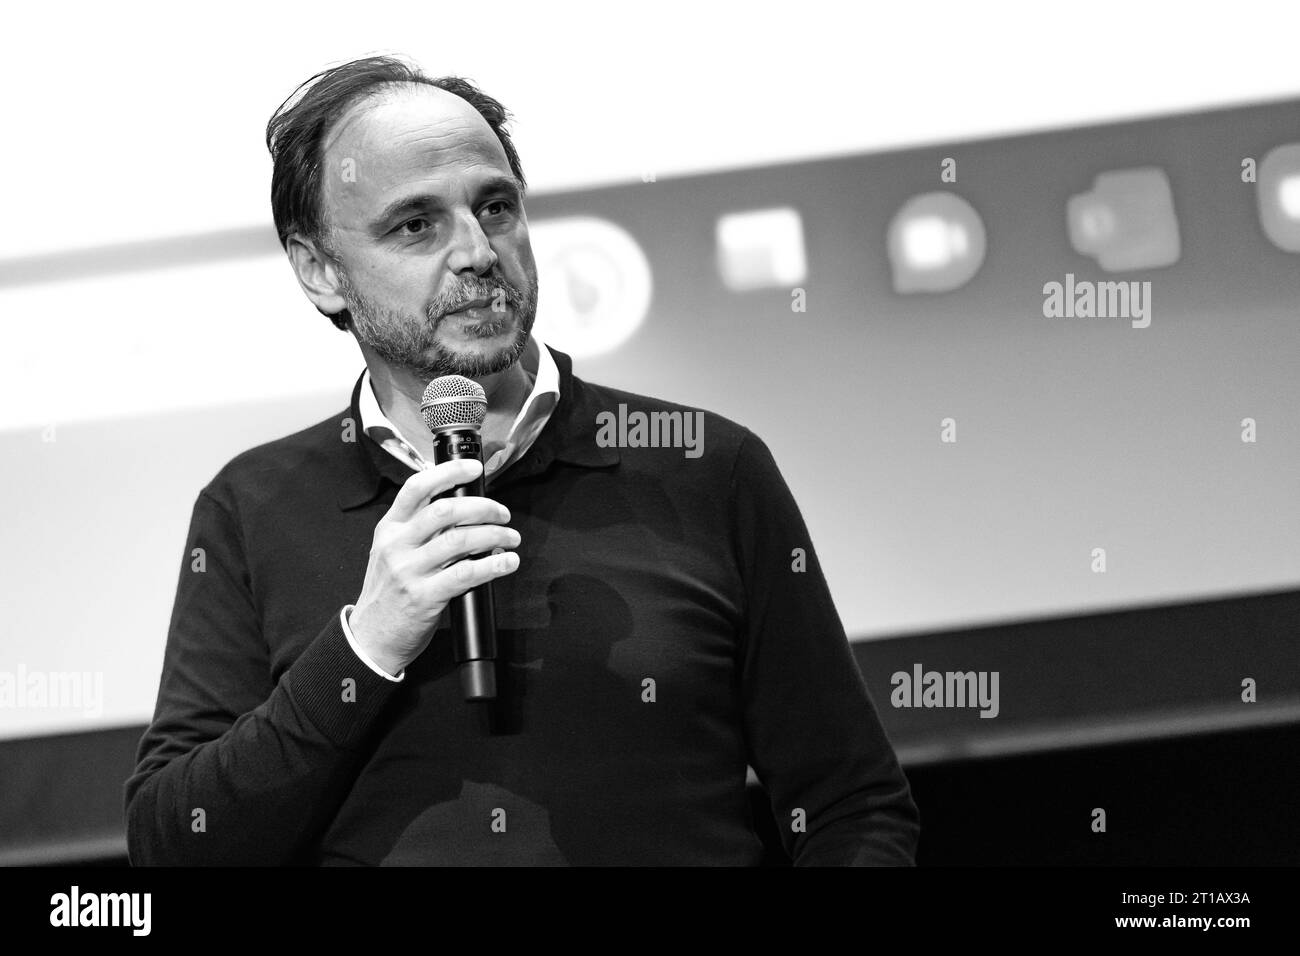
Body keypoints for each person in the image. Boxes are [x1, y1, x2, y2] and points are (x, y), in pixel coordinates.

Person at [124, 55, 920, 866]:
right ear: (320, 271)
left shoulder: (706, 467)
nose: (477, 252)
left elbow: (852, 807)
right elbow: (175, 847)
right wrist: (367, 647)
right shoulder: (250, 511)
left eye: (495, 207)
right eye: (416, 225)